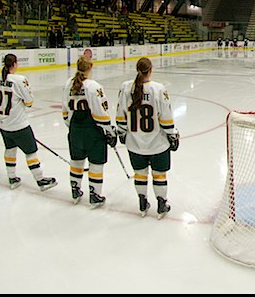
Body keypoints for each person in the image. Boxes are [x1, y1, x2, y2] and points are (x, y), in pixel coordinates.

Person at [116, 57, 180, 218]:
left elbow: (120, 114)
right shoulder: (158, 89)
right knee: (159, 174)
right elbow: (165, 117)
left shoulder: (125, 88)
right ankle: (161, 203)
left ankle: (142, 202)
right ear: (150, 70)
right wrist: (172, 135)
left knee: (140, 173)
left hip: (134, 143)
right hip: (157, 143)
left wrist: (122, 132)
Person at [0, 54, 58, 191]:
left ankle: (12, 178)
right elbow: (29, 102)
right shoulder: (19, 80)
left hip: (3, 124)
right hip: (18, 124)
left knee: (10, 149)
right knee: (31, 152)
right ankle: (40, 180)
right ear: (15, 64)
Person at [63, 55, 116, 208]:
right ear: (90, 68)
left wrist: (72, 127)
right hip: (93, 131)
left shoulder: (69, 84)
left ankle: (75, 190)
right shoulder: (94, 86)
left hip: (75, 129)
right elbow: (101, 112)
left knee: (76, 161)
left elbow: (65, 110)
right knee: (96, 163)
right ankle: (94, 194)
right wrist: (108, 130)